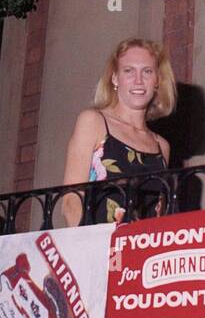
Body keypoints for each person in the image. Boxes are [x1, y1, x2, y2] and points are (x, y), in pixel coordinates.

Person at [60, 38, 174, 226]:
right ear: (115, 78)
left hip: (141, 251)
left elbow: (158, 216)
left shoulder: (162, 146)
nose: (138, 81)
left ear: (158, 81)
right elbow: (70, 201)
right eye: (128, 71)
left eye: (147, 71)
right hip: (95, 247)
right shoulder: (93, 122)